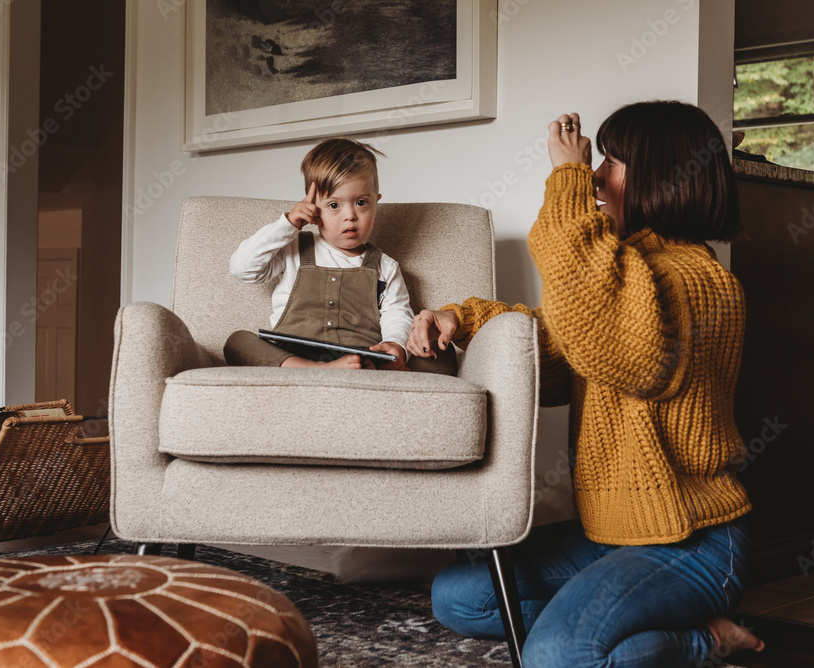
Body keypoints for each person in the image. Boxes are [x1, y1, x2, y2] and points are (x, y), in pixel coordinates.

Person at [408, 101, 766, 667]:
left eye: (612, 163)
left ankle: (707, 640)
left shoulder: (699, 283)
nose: (597, 176)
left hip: (692, 542)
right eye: (596, 165)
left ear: (661, 176)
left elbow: (606, 334)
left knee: (557, 657)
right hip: (609, 536)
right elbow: (554, 348)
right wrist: (462, 319)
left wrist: (567, 177)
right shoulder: (627, 274)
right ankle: (615, 619)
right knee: (459, 597)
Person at [225, 137, 411, 371]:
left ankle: (348, 369)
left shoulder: (386, 266)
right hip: (292, 353)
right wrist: (288, 224)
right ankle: (312, 369)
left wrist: (395, 344)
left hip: (358, 357)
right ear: (313, 208)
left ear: (376, 202)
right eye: (334, 205)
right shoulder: (293, 248)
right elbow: (242, 269)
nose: (350, 216)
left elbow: (397, 313)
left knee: (436, 357)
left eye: (361, 202)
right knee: (237, 342)